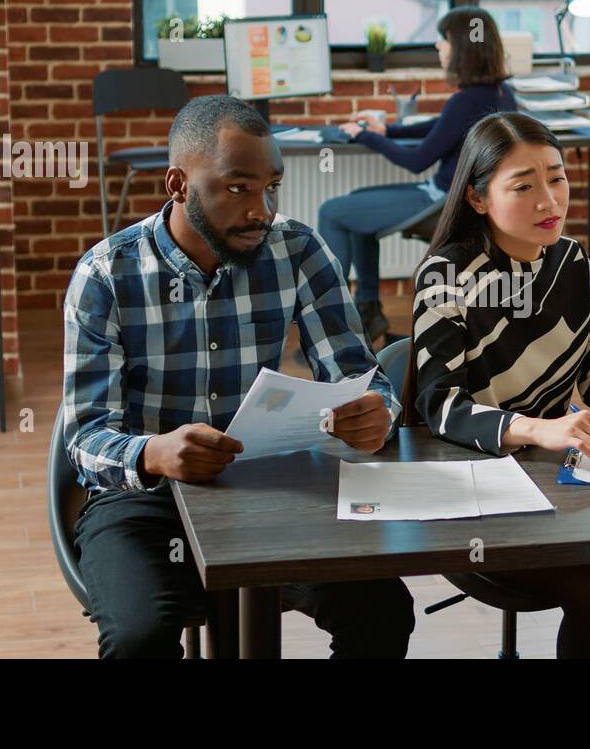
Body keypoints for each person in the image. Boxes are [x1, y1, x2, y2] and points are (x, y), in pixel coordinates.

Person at [64, 95, 415, 658]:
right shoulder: (106, 274)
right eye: (238, 188)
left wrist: (377, 412)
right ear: (178, 184)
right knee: (136, 639)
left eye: (271, 186)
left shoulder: (298, 251)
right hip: (147, 500)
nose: (262, 209)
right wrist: (154, 453)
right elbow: (84, 439)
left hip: (271, 486)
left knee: (383, 612)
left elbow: (360, 376)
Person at [405, 111, 590, 658]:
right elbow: (439, 407)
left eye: (557, 177)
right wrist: (538, 429)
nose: (549, 201)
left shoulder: (571, 264)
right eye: (524, 185)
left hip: (556, 483)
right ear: (477, 198)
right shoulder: (447, 277)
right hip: (474, 488)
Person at [318, 6, 517, 345]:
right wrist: (387, 129)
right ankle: (369, 313)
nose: (440, 47)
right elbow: (440, 129)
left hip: (440, 204)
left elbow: (418, 159)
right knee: (354, 209)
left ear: (463, 50)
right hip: (445, 196)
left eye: (445, 40)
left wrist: (365, 135)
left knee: (332, 213)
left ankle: (334, 331)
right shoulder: (497, 94)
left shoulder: (468, 100)